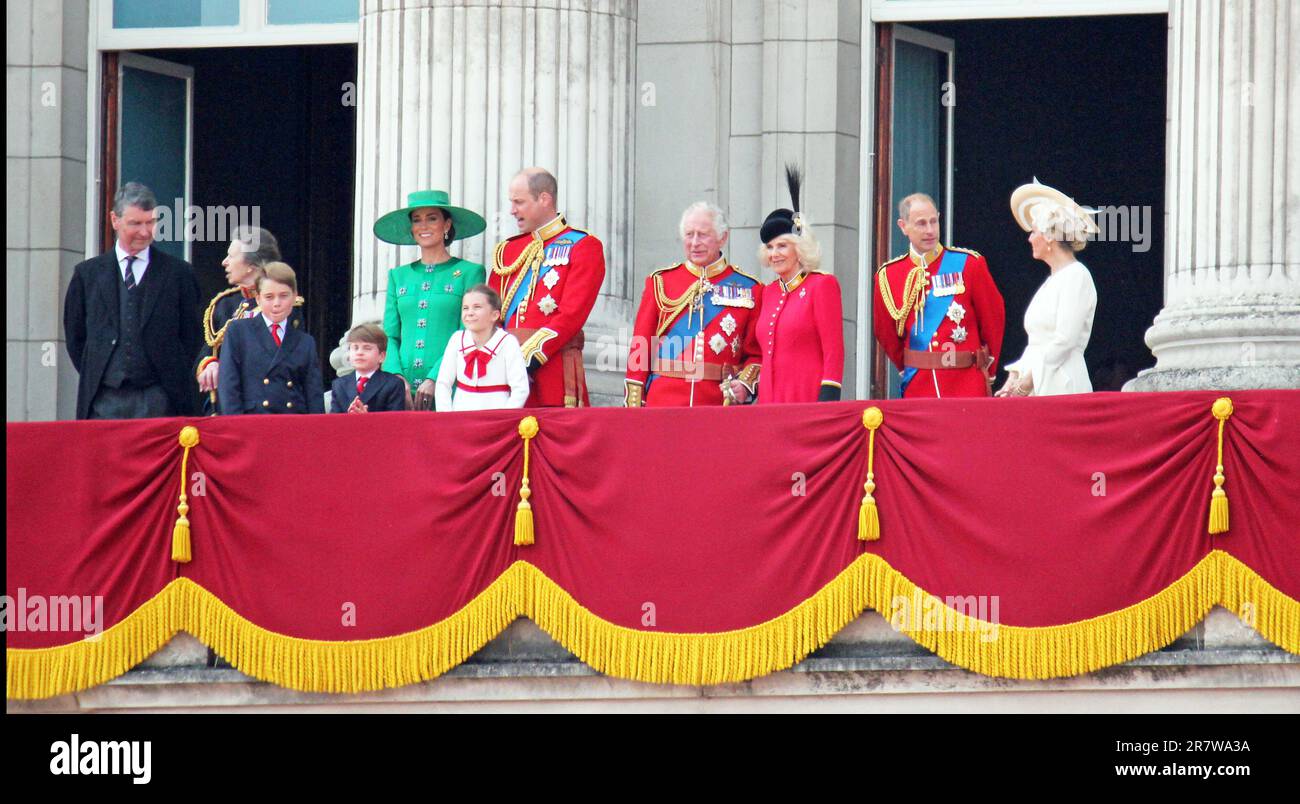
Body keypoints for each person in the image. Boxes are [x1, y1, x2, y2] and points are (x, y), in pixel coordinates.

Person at [63, 182, 203, 419]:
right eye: (135, 223)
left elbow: (191, 336)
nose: (145, 232)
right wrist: (101, 371)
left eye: (151, 222)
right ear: (114, 220)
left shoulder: (179, 274)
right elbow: (76, 338)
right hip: (103, 400)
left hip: (161, 399)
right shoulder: (87, 275)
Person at [624, 202, 763, 407]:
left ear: (722, 238)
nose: (695, 242)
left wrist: (745, 384)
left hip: (717, 403)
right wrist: (634, 402)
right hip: (663, 401)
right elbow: (641, 346)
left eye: (703, 234)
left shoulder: (751, 288)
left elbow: (756, 353)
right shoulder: (661, 282)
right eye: (689, 235)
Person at [488, 167, 606, 407]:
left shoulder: (583, 246)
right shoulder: (508, 251)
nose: (512, 211)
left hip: (553, 372)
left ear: (544, 199)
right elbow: (492, 312)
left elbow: (571, 315)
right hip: (504, 376)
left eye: (519, 202)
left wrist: (527, 357)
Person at [873, 192, 1006, 398]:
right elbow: (885, 332)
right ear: (903, 226)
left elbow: (993, 319)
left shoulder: (969, 264)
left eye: (934, 222)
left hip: (966, 384)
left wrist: (989, 369)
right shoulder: (889, 275)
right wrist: (911, 364)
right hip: (919, 385)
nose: (930, 230)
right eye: (921, 223)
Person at [375, 190, 487, 410]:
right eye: (417, 220)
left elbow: (469, 332)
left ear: (446, 225)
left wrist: (437, 378)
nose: (423, 226)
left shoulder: (469, 272)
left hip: (453, 385)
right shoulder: (398, 276)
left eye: (432, 218)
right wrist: (396, 378)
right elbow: (389, 335)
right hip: (401, 392)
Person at [996, 180, 1099, 397]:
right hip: (1037, 382)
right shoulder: (1052, 281)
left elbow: (1065, 340)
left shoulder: (1077, 276)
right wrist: (1014, 376)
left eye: (1034, 231)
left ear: (1050, 236)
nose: (1029, 238)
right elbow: (1037, 344)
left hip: (1062, 383)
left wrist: (1027, 382)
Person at [754, 167, 845, 404]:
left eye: (782, 246)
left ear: (800, 247)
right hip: (769, 401)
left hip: (806, 398)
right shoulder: (769, 292)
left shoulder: (821, 285)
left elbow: (833, 350)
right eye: (770, 247)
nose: (774, 254)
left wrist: (827, 400)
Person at [195, 227, 304, 415]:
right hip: (223, 408)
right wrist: (210, 363)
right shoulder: (224, 305)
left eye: (231, 256)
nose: (224, 262)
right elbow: (206, 350)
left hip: (265, 409)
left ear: (251, 266)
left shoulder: (285, 306)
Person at [217, 262, 325, 414]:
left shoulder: (305, 342)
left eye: (284, 296)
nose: (277, 304)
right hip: (252, 424)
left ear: (294, 297)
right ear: (258, 299)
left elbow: (314, 397)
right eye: (269, 297)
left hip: (292, 425)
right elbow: (229, 387)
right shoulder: (238, 331)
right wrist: (236, 428)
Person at [434, 285, 529, 411]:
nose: (470, 313)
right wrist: (447, 416)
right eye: (465, 308)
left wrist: (505, 418)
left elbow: (520, 389)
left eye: (477, 307)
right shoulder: (457, 340)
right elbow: (443, 384)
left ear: (494, 315)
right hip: (460, 414)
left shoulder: (508, 343)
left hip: (497, 415)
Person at [330, 323, 408, 413]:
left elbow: (394, 422)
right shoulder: (339, 385)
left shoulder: (393, 384)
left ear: (382, 356)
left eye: (367, 348)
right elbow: (334, 421)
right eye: (355, 348)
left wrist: (367, 418)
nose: (359, 353)